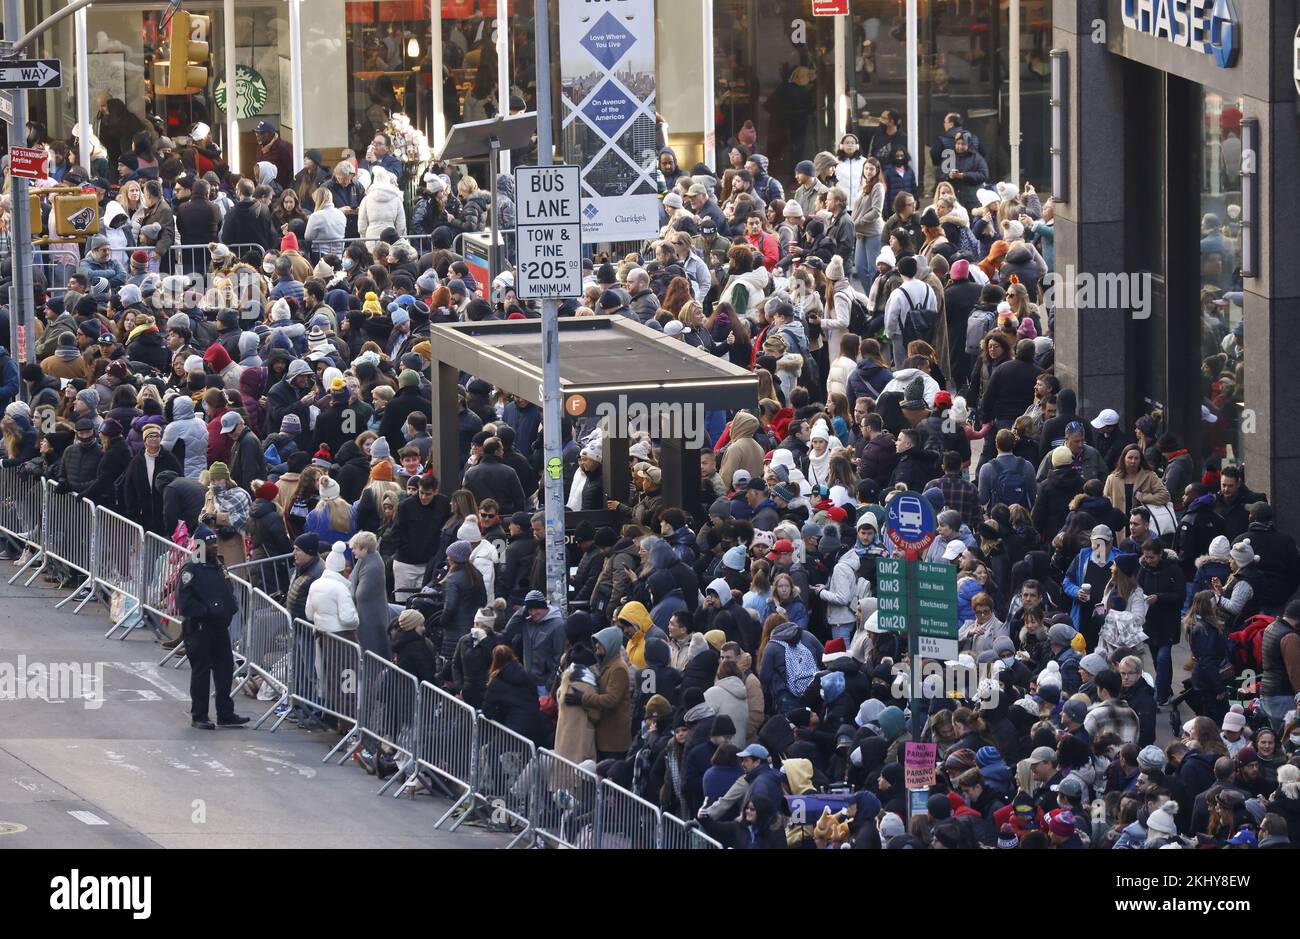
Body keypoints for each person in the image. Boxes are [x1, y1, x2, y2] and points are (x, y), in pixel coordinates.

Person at [176, 524, 249, 729]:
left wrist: (229, 608)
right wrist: (207, 612)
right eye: (209, 544)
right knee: (201, 673)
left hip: (219, 627)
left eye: (214, 543)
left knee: (225, 669)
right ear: (199, 546)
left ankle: (225, 713)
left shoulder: (217, 564)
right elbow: (184, 602)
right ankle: (199, 716)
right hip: (200, 628)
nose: (214, 546)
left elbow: (226, 589)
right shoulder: (191, 569)